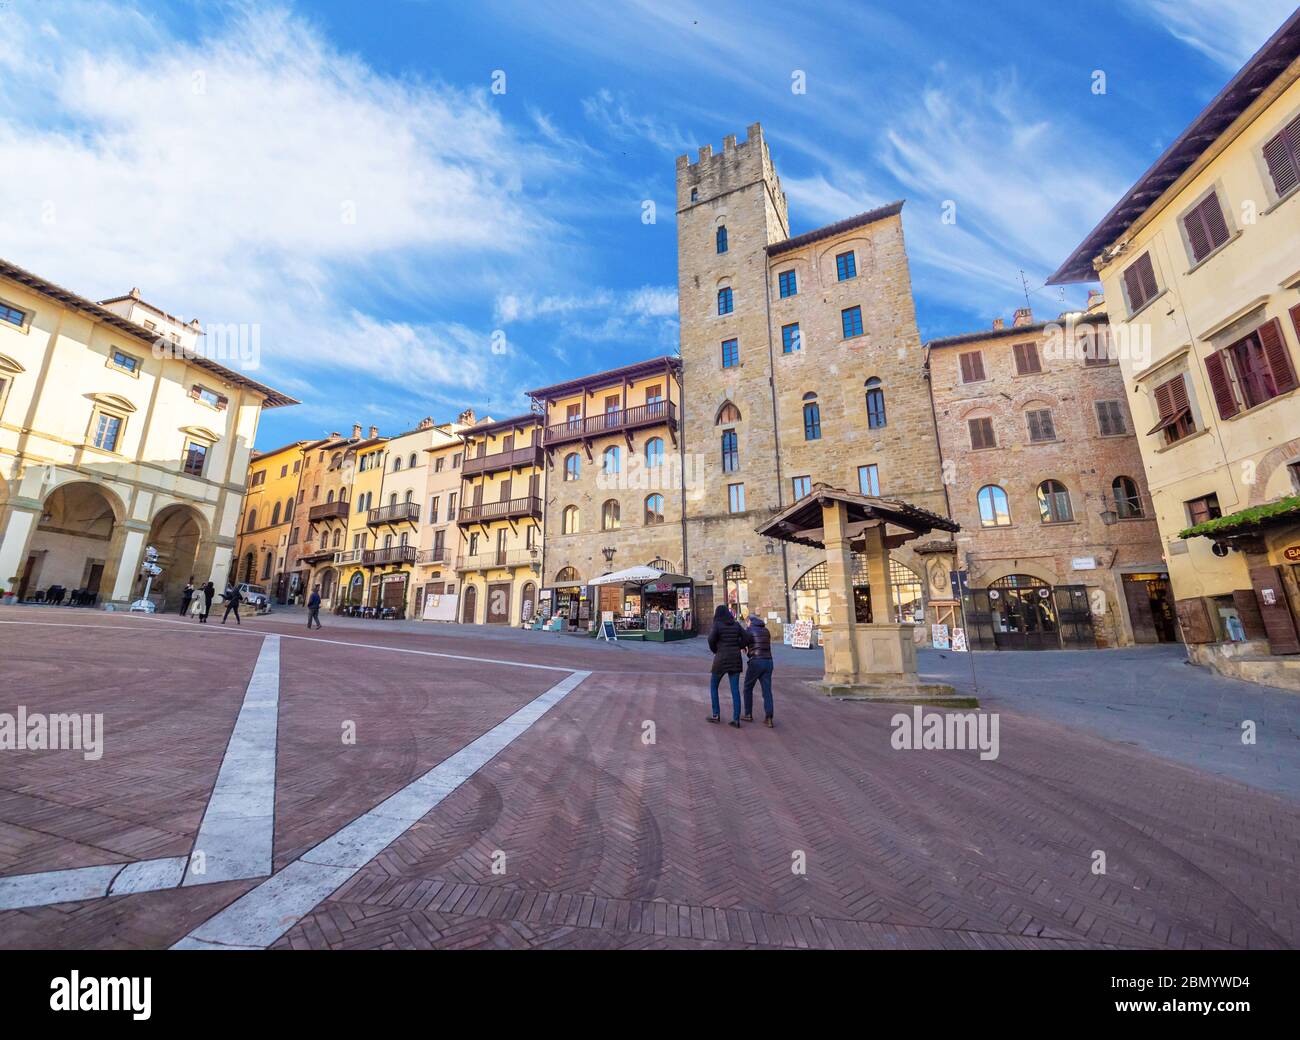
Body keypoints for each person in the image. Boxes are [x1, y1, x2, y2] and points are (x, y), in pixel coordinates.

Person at [706, 603, 752, 727]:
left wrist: (715, 649)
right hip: (735, 660)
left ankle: (716, 714)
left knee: (713, 686)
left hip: (721, 659)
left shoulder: (717, 625)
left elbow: (710, 639)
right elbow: (748, 637)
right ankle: (736, 719)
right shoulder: (736, 625)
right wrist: (740, 645)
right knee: (735, 689)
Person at [742, 613, 775, 727]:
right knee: (767, 690)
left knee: (747, 687)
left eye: (747, 622)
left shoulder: (749, 630)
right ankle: (769, 717)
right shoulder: (766, 631)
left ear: (750, 622)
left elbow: (743, 643)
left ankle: (748, 714)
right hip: (768, 661)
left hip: (756, 661)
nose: (746, 625)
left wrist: (745, 649)